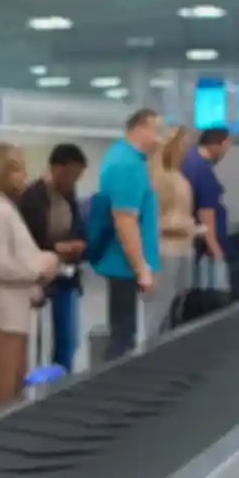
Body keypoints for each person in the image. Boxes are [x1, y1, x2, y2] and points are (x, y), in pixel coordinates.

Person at [0, 145, 60, 408]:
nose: (24, 176)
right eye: (17, 169)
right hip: (4, 314)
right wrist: (38, 269)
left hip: (16, 310)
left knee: (15, 388)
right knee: (2, 392)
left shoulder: (5, 208)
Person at [92, 108, 162, 362]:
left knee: (126, 334)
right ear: (140, 129)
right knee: (123, 339)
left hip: (126, 264)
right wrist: (142, 268)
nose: (158, 138)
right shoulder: (126, 164)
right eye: (155, 131)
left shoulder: (129, 160)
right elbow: (125, 220)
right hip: (124, 265)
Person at [18, 143, 88, 372]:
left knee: (68, 340)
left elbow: (77, 226)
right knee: (41, 338)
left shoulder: (69, 195)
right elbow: (28, 239)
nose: (74, 180)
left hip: (66, 275)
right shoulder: (32, 197)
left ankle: (61, 380)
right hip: (41, 276)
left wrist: (76, 246)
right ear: (57, 168)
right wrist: (57, 248)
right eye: (72, 173)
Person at [147, 128, 198, 338]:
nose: (186, 151)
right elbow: (150, 222)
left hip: (184, 249)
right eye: (182, 145)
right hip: (167, 250)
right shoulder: (161, 178)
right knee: (159, 311)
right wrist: (180, 228)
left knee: (176, 309)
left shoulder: (179, 178)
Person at [181, 127, 232, 286]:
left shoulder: (188, 162)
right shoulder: (202, 171)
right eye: (226, 146)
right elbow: (206, 216)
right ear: (217, 145)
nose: (226, 151)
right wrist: (215, 249)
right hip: (198, 246)